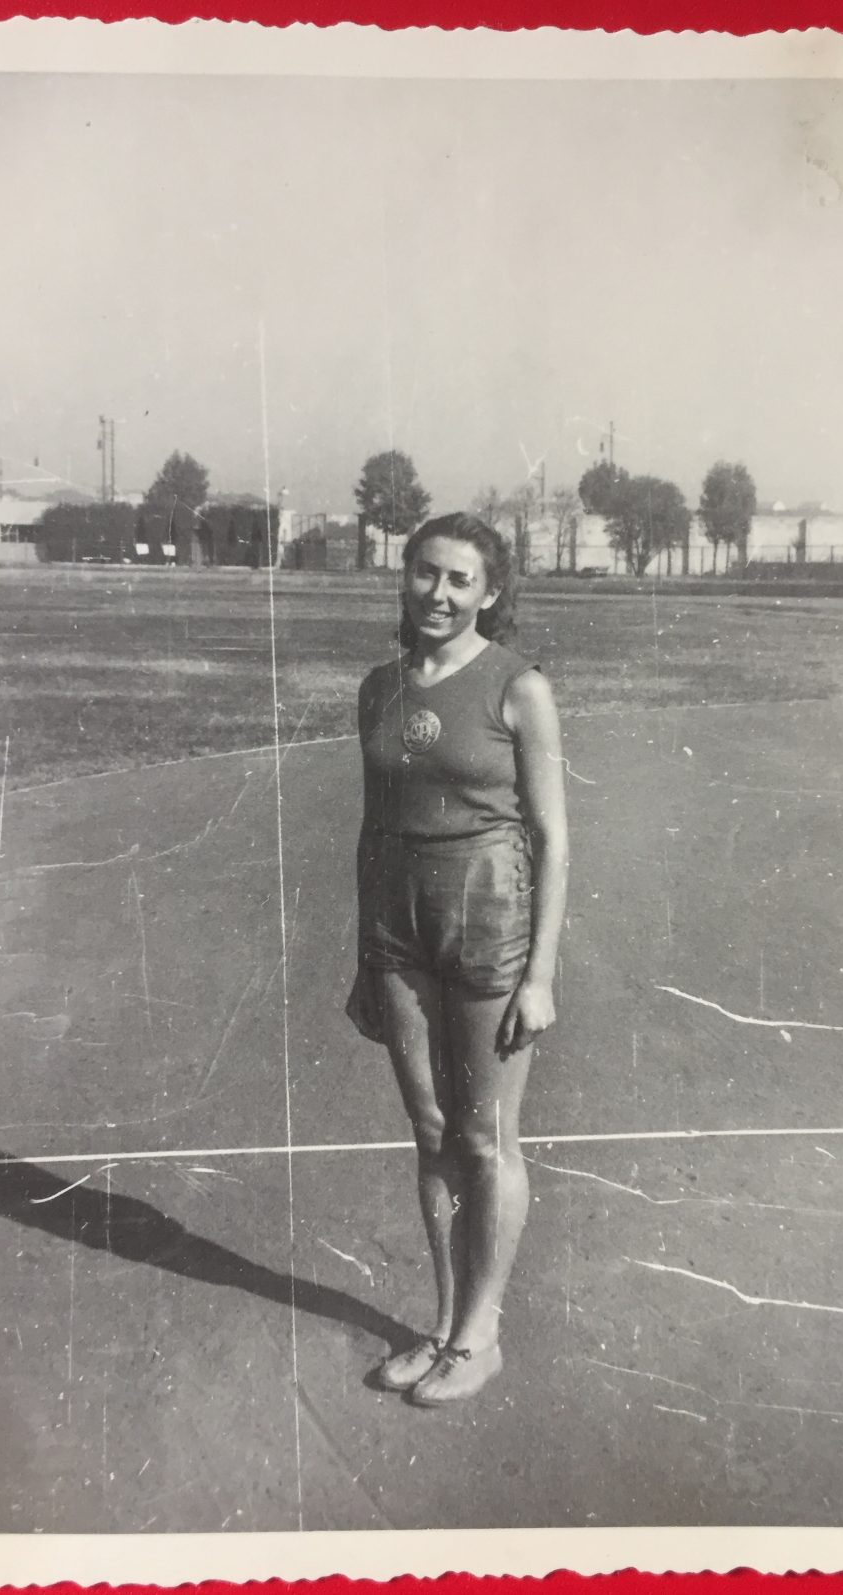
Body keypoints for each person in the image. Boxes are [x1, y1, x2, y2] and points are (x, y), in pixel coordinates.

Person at [349, 512, 569, 1405]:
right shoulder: (378, 686)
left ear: (490, 592)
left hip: (489, 928)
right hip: (399, 935)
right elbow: (372, 828)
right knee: (431, 1132)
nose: (439, 594)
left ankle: (483, 1336)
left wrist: (541, 973)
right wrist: (367, 956)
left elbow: (554, 837)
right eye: (425, 573)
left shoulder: (519, 687)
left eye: (460, 581)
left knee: (484, 1139)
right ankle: (443, 1324)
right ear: (405, 576)